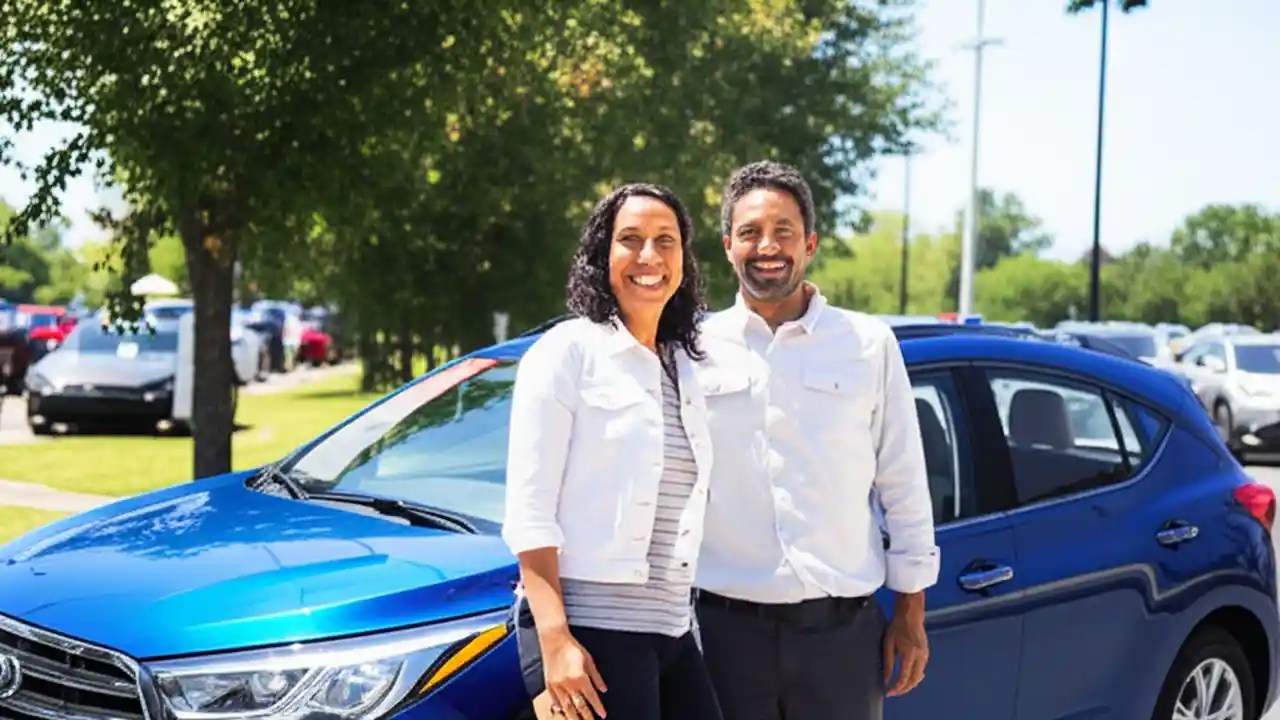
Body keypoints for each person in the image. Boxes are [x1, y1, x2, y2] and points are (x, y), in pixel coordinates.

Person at [692, 160, 939, 720]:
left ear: (810, 243)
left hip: (843, 641)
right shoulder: (690, 349)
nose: (767, 246)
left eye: (783, 231)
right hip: (723, 638)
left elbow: (902, 480)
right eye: (750, 232)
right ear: (729, 245)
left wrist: (910, 613)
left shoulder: (868, 344)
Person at [502, 183, 725, 720]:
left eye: (665, 241)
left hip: (672, 628)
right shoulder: (566, 353)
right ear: (602, 255)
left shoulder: (688, 365)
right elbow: (530, 514)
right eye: (630, 239)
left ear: (684, 259)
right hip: (594, 632)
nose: (649, 256)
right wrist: (555, 642)